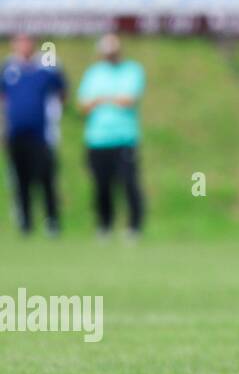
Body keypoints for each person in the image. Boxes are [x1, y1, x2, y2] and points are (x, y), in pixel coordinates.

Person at [77, 34, 146, 236]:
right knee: (101, 186)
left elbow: (128, 100)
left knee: (129, 184)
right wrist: (110, 99)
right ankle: (104, 226)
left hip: (124, 138)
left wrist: (100, 99)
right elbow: (84, 104)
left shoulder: (132, 70)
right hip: (97, 139)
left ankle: (134, 227)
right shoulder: (93, 73)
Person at [2, 34, 66, 235]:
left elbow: (61, 92)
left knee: (46, 178)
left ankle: (52, 222)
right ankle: (25, 224)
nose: (24, 45)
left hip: (42, 135)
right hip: (16, 135)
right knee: (20, 181)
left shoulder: (46, 66)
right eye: (20, 41)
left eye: (27, 40)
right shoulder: (8, 68)